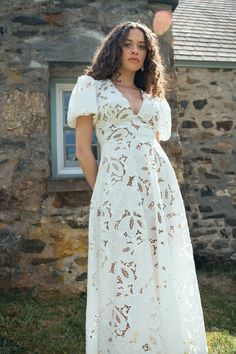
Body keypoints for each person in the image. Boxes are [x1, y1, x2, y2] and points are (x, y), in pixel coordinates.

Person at [67, 21, 208, 354]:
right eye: (128, 44)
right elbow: (83, 151)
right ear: (115, 48)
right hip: (115, 192)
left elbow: (153, 146)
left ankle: (160, 343)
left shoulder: (153, 99)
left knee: (160, 266)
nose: (134, 50)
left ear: (148, 55)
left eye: (141, 46)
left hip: (159, 193)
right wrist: (102, 192)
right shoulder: (92, 88)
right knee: (122, 267)